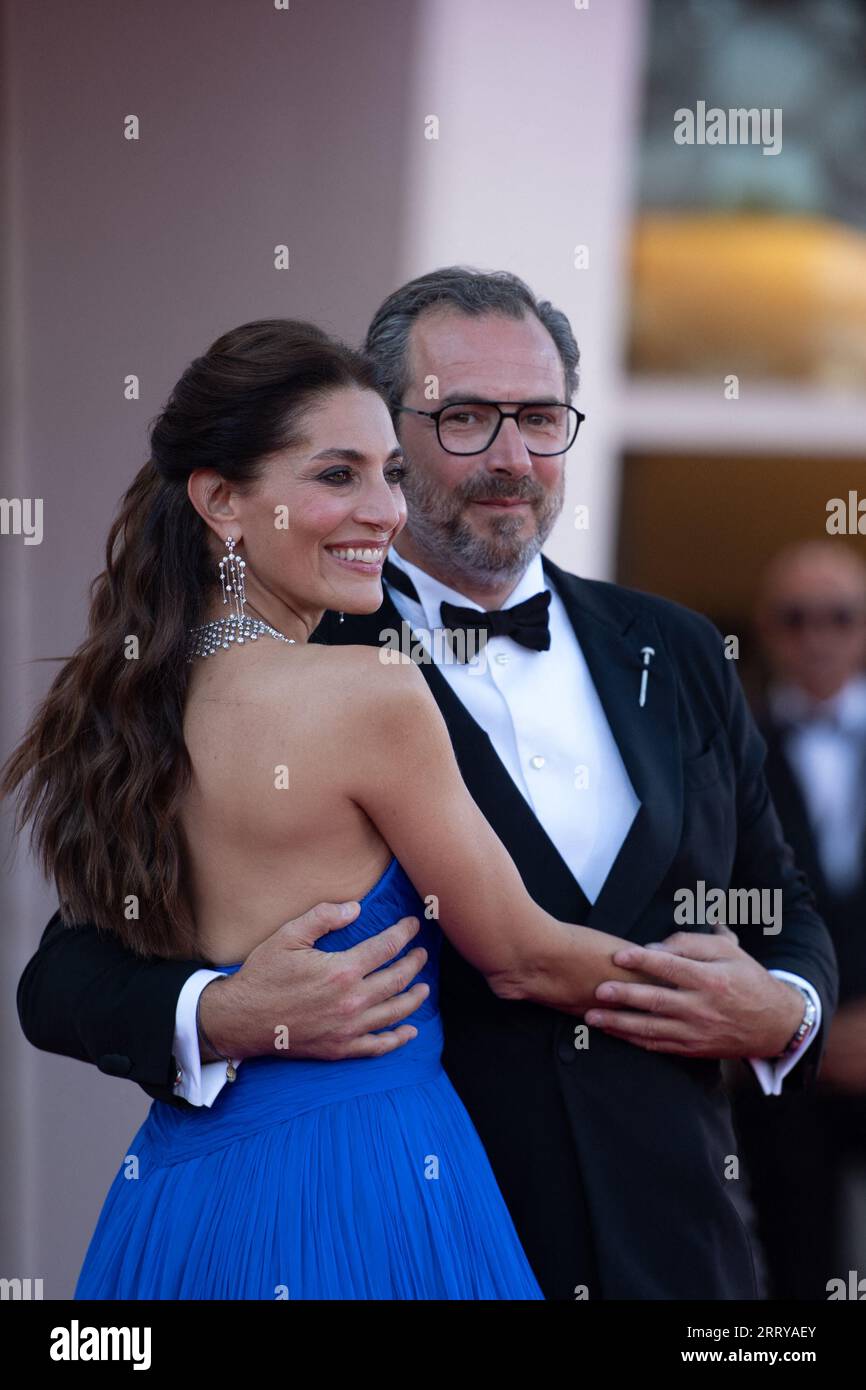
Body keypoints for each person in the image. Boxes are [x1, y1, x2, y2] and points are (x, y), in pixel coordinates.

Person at [16, 269, 838, 1300]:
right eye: (464, 419)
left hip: (675, 1248)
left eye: (539, 418)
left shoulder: (673, 649)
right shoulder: (320, 657)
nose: (510, 456)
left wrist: (785, 1011)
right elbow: (63, 979)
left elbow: (779, 898)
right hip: (411, 1226)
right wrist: (221, 1012)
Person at [734, 541, 866, 1299]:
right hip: (774, 1067)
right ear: (768, 628)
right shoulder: (727, 746)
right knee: (789, 1273)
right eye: (796, 618)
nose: (818, 636)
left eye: (840, 617)